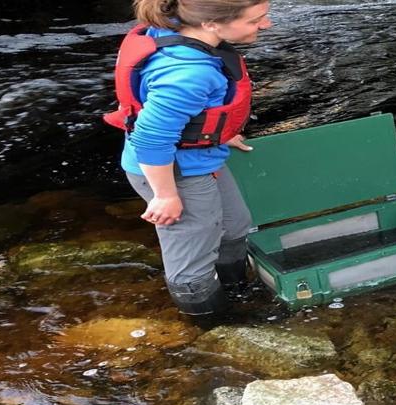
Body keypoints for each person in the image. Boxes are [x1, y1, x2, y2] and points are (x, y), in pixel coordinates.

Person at [106, 0, 272, 316]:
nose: (266, 25)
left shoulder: (184, 29)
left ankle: (238, 293)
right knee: (192, 264)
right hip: (172, 172)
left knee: (235, 227)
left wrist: (220, 132)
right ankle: (215, 327)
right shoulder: (188, 72)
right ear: (210, 23)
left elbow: (187, 116)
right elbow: (151, 138)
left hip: (199, 156)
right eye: (256, 20)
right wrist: (165, 195)